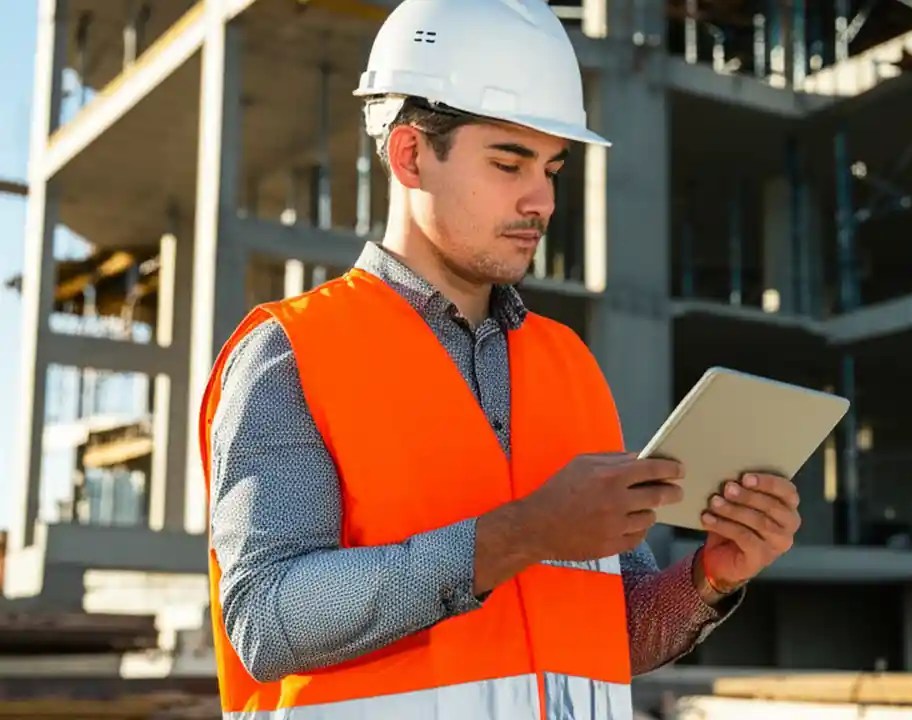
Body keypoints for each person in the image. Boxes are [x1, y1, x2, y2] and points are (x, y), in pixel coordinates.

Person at [197, 0, 802, 718]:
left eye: (552, 167)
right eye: (509, 161)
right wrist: (522, 534)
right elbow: (265, 619)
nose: (542, 200)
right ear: (411, 154)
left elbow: (611, 631)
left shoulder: (567, 362)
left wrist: (710, 576)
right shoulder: (292, 352)